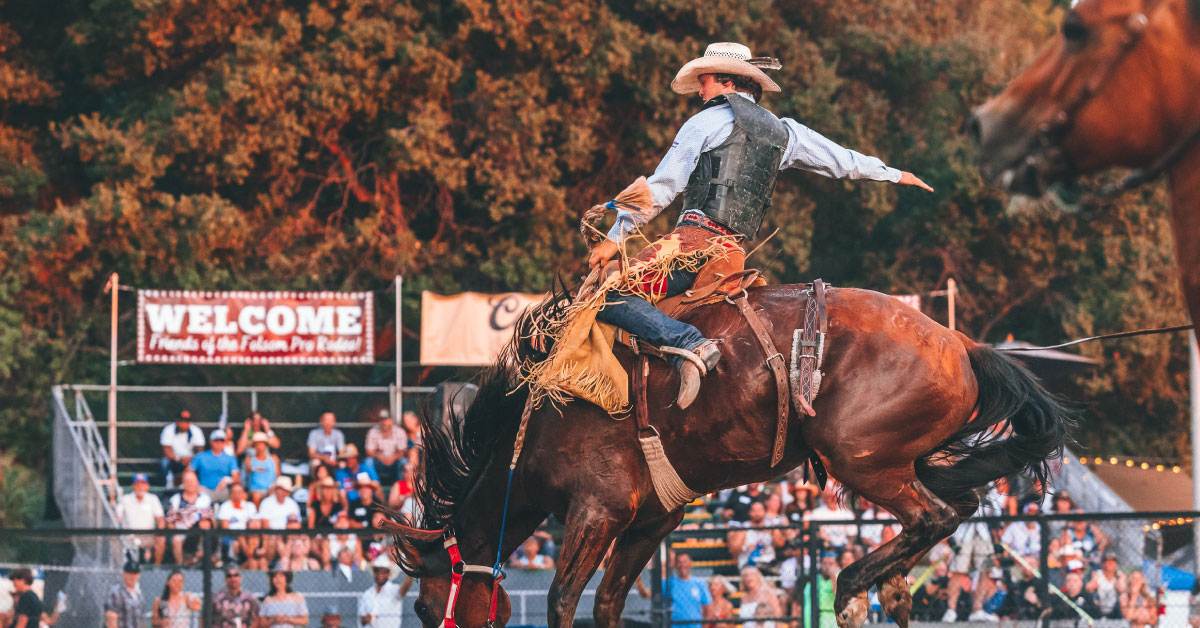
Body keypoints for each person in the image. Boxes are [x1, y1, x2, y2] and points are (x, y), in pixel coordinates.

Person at [587, 42, 932, 407]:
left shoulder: (704, 121)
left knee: (605, 294)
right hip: (732, 256)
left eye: (703, 80)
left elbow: (663, 185)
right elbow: (843, 161)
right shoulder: (786, 133)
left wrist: (615, 238)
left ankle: (688, 344)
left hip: (691, 246)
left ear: (725, 81)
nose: (700, 89)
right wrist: (894, 174)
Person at [942, 484, 1003, 622]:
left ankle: (978, 609)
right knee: (958, 569)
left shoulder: (989, 485)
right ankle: (951, 610)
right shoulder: (963, 480)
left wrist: (997, 538)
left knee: (986, 568)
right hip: (962, 532)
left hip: (984, 533)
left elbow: (996, 509)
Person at [166, 468, 215, 566]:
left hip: (198, 532)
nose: (190, 484)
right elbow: (170, 522)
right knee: (176, 539)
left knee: (205, 524)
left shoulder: (204, 499)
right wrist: (174, 532)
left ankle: (203, 560)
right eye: (187, 481)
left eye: (193, 481)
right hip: (182, 532)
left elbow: (212, 521)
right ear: (183, 483)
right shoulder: (176, 499)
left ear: (197, 482)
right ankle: (179, 566)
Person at [116, 472, 166, 564]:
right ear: (133, 486)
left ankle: (156, 568)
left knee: (161, 539)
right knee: (115, 539)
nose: (140, 487)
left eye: (143, 484)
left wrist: (158, 533)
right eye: (137, 484)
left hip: (149, 536)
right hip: (129, 536)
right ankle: (121, 567)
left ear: (147, 486)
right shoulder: (125, 499)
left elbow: (160, 520)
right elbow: (116, 517)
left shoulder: (153, 498)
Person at [726, 501, 783, 568]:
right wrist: (746, 547)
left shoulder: (771, 527)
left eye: (759, 510)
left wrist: (772, 532)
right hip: (749, 564)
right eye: (754, 510)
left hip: (768, 564)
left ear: (765, 512)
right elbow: (733, 550)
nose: (757, 513)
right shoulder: (743, 528)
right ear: (749, 513)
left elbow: (780, 544)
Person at [190, 429, 240, 501]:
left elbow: (236, 478)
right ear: (211, 441)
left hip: (223, 491)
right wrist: (196, 485)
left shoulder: (230, 458)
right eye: (216, 440)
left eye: (222, 440)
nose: (219, 443)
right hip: (205, 490)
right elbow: (189, 472)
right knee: (200, 500)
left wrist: (227, 480)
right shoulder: (201, 456)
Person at [160, 410, 204, 487]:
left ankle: (198, 487)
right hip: (174, 459)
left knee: (202, 461)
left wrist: (191, 459)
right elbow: (167, 451)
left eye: (186, 420)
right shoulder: (168, 430)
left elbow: (200, 451)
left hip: (191, 460)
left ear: (190, 422)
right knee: (164, 462)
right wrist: (179, 459)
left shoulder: (196, 431)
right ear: (177, 421)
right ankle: (166, 489)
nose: (184, 423)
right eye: (181, 420)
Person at [359, 555, 406, 628]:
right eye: (377, 570)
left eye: (384, 571)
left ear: (389, 573)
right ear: (373, 573)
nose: (380, 574)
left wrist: (411, 574)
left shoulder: (395, 590)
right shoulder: (367, 594)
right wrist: (368, 618)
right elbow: (361, 620)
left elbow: (405, 587)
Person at [365, 409, 407, 487]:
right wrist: (380, 456)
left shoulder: (400, 431)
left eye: (386, 420)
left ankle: (403, 491)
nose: (384, 422)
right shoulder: (373, 431)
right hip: (379, 462)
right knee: (368, 461)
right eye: (381, 420)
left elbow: (403, 451)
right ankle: (376, 488)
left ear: (391, 420)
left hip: (394, 462)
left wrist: (393, 457)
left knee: (404, 462)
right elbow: (369, 451)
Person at [104, 560, 145, 628]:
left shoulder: (139, 594)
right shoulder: (116, 592)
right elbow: (111, 619)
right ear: (124, 574)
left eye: (135, 573)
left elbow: (141, 620)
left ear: (138, 575)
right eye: (129, 573)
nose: (132, 576)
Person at [244, 432, 281, 506]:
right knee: (256, 496)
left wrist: (274, 488)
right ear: (254, 446)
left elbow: (278, 476)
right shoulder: (249, 460)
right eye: (257, 444)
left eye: (262, 444)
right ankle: (257, 516)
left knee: (273, 495)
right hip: (255, 490)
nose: (259, 447)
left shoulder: (274, 458)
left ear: (266, 445)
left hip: (270, 489)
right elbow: (248, 470)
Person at [1086, 554, 1126, 619]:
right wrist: (1095, 582)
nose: (1110, 563)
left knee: (1123, 597)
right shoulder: (1098, 574)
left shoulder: (1120, 575)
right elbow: (1089, 588)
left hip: (1114, 608)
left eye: (1112, 561)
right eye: (1107, 561)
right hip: (1099, 607)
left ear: (1115, 564)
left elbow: (1121, 589)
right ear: (1102, 564)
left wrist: (1119, 579)